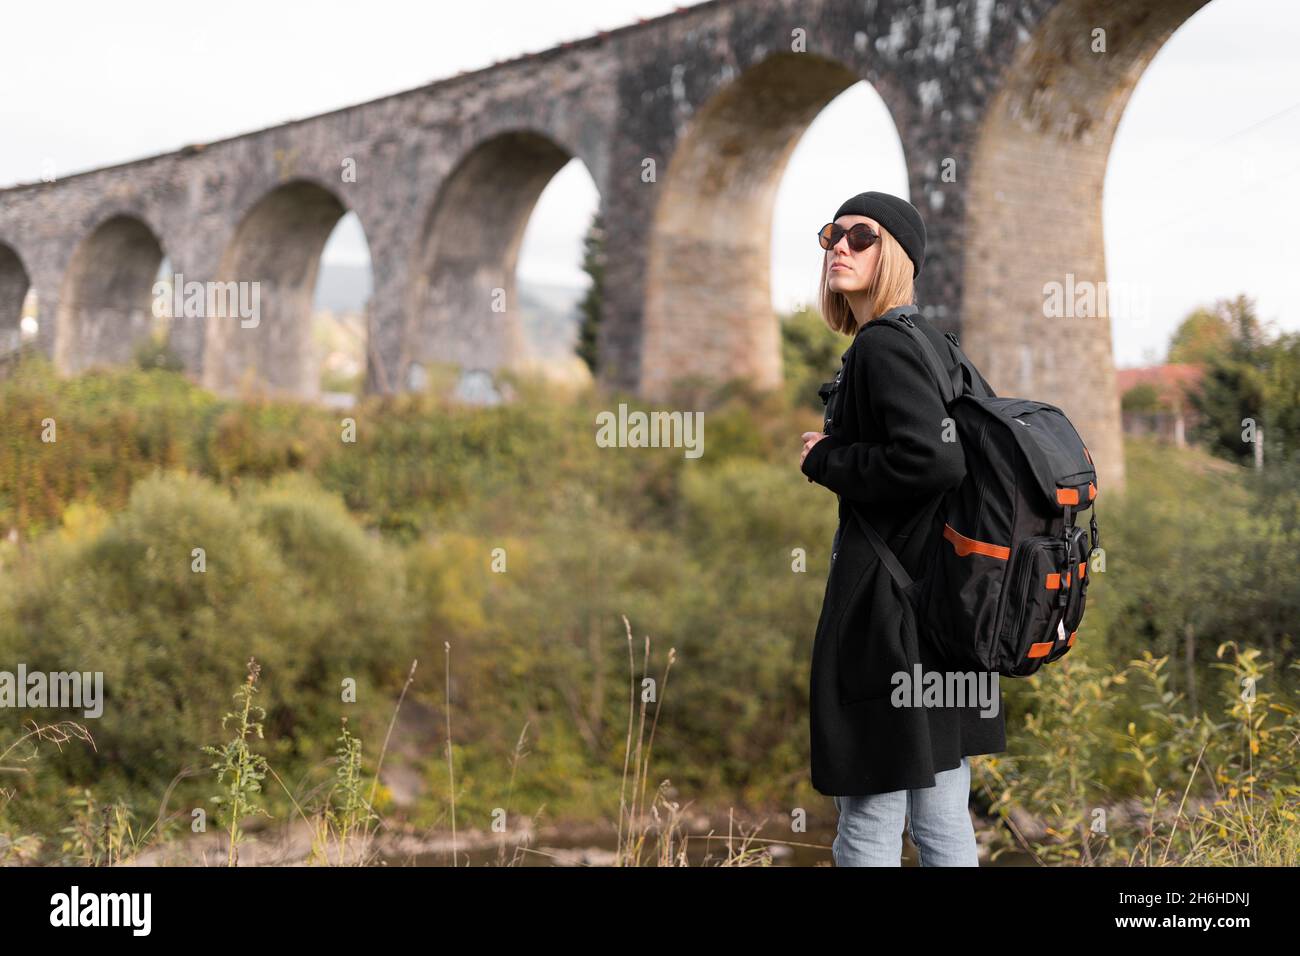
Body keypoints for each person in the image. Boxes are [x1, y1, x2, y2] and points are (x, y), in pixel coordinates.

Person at [799, 191, 1006, 866]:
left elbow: (933, 459)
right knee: (943, 816)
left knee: (868, 820)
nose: (840, 246)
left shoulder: (883, 345)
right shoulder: (933, 344)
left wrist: (828, 458)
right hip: (945, 610)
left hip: (891, 619)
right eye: (833, 234)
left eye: (862, 236)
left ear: (897, 256)